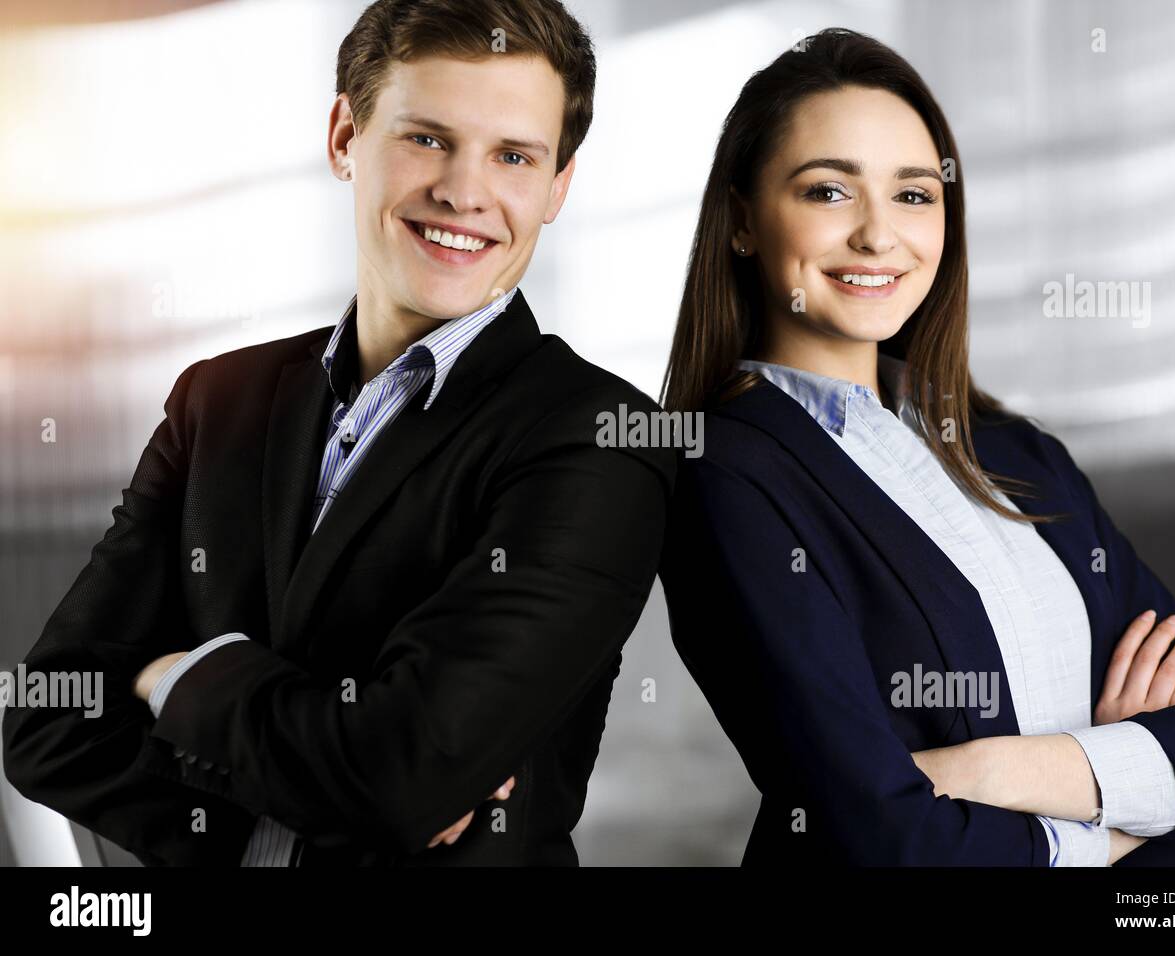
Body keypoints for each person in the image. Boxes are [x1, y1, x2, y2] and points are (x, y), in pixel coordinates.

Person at [2, 0, 675, 867]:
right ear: (343, 138)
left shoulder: (598, 438)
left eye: (513, 155)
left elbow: (404, 778)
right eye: (426, 138)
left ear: (558, 187)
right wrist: (330, 781)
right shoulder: (218, 402)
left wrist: (169, 679)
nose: (463, 192)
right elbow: (47, 722)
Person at [657, 28, 1175, 866]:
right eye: (829, 191)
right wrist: (1116, 806)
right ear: (740, 221)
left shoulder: (1018, 453)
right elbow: (881, 831)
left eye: (914, 195)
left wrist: (988, 769)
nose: (880, 236)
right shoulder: (722, 474)